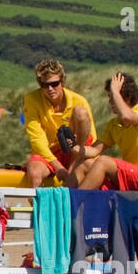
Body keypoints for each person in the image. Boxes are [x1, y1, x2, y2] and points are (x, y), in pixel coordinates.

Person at [68, 72, 138, 192]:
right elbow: (94, 151)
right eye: (109, 97)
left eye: (113, 97)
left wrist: (115, 90)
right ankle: (64, 200)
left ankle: (77, 200)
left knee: (103, 161)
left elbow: (127, 116)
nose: (110, 102)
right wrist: (74, 147)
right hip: (131, 177)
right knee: (85, 164)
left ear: (127, 97)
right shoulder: (113, 125)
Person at [23, 59, 94, 188]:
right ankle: (38, 201)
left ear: (62, 82)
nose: (50, 89)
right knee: (34, 173)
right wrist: (57, 166)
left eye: (54, 84)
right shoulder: (31, 99)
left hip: (77, 152)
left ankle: (74, 184)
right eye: (45, 85)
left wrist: (73, 165)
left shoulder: (79, 100)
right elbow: (36, 139)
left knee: (80, 113)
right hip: (49, 153)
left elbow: (92, 138)